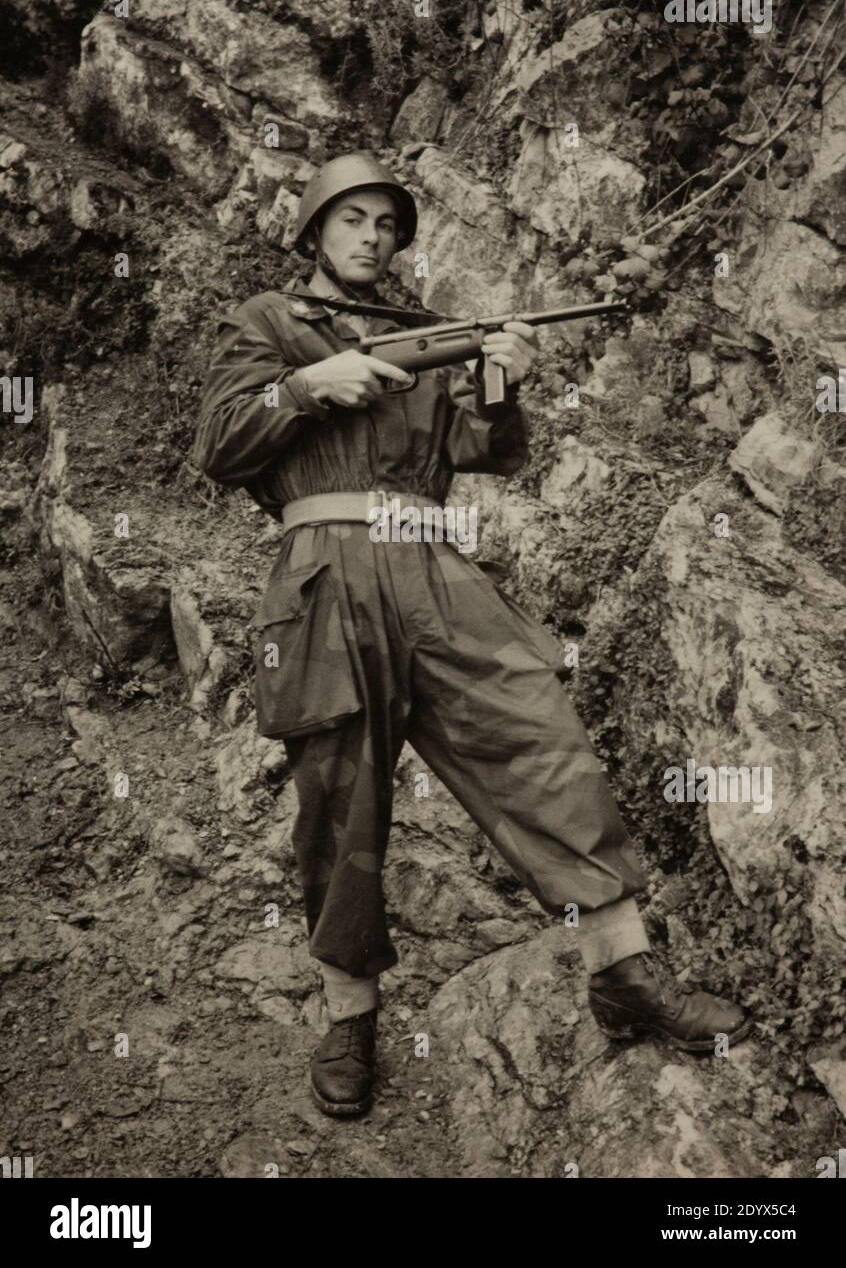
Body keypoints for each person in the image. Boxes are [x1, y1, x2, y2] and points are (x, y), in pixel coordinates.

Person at [192, 151, 751, 1117]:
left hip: (435, 567)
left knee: (540, 738)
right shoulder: (268, 323)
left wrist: (500, 380)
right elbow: (218, 444)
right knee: (341, 799)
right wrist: (304, 386)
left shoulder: (421, 335)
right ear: (316, 230)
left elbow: (483, 450)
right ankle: (350, 1013)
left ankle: (622, 970)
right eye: (355, 219)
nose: (374, 237)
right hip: (323, 573)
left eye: (388, 224)